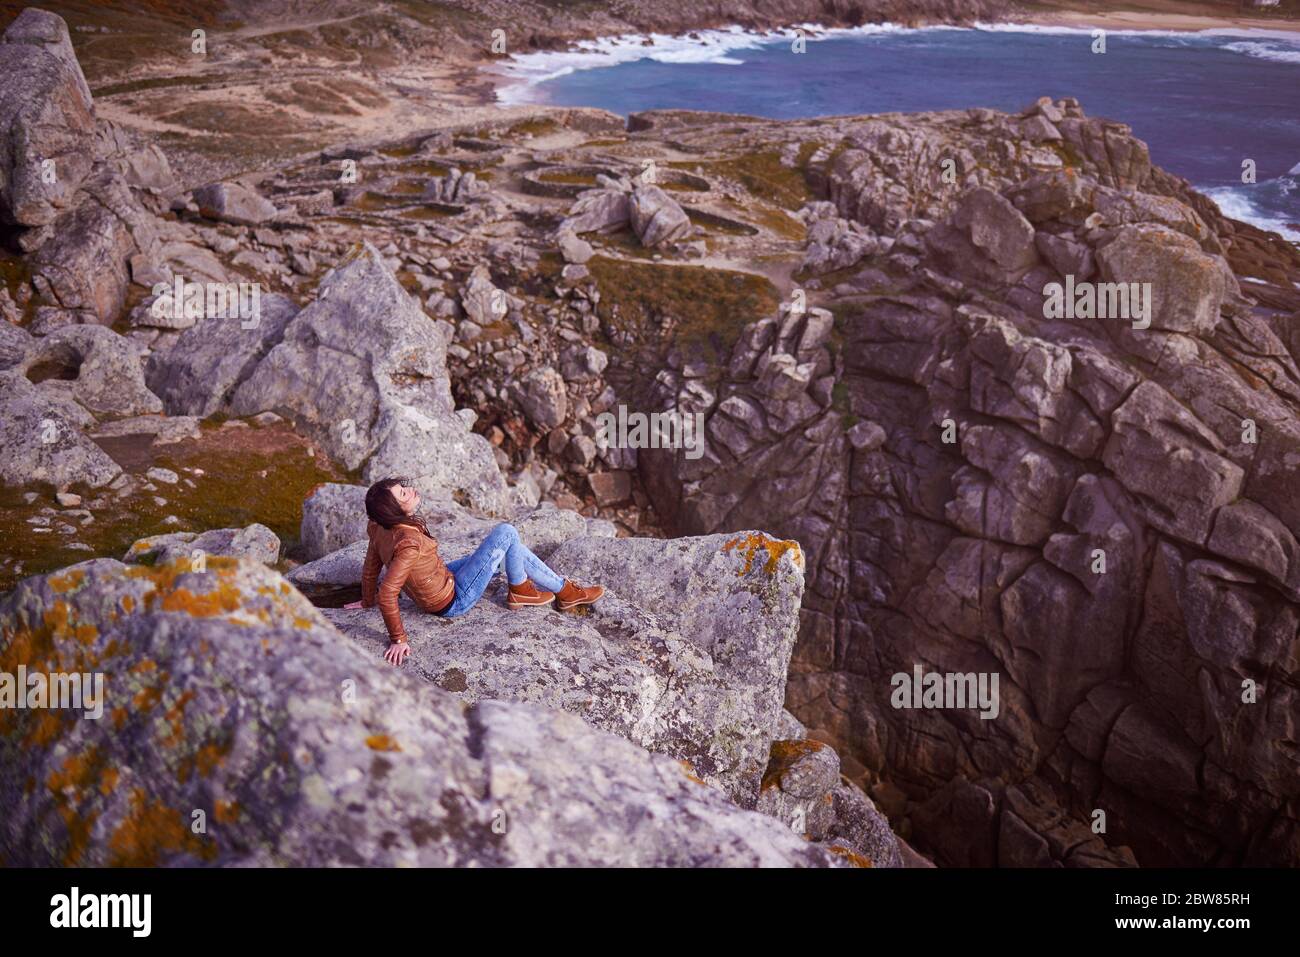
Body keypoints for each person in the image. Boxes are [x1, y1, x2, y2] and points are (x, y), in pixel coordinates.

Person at [344, 477, 604, 665]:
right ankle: (538, 590)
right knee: (507, 533)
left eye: (404, 488)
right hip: (453, 600)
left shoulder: (378, 527)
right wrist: (398, 639)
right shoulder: (408, 545)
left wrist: (368, 601)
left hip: (441, 577)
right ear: (392, 511)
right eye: (403, 494)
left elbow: (371, 567)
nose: (410, 490)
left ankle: (551, 590)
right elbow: (388, 592)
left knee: (506, 548)